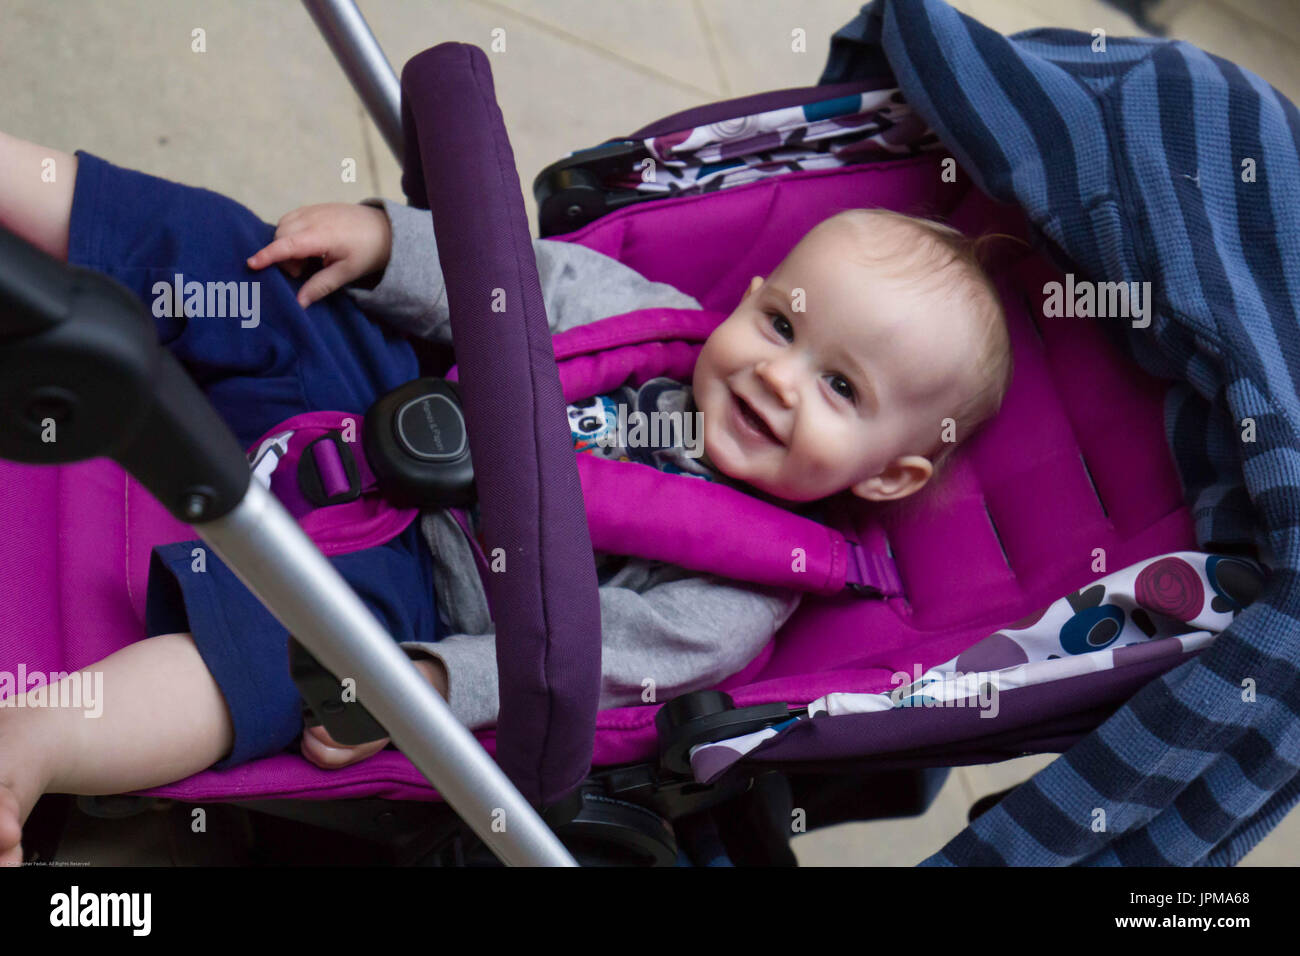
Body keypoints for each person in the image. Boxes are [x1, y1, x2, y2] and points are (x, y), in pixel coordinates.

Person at [0, 132, 1009, 864]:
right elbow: (510, 284)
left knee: (282, 666)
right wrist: (387, 245)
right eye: (783, 326)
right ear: (747, 300)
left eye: (840, 389)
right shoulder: (651, 323)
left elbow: (582, 665)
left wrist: (429, 689)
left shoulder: (738, 595)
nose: (779, 377)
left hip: (415, 586)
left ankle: (37, 742)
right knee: (246, 258)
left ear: (889, 475)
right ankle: (20, 184)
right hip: (373, 403)